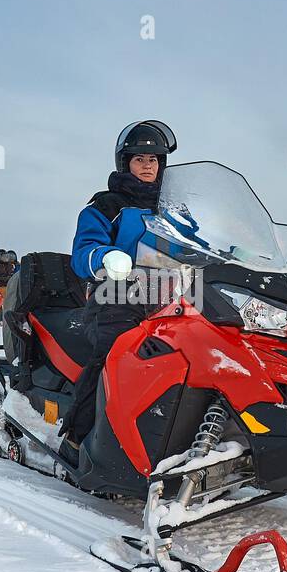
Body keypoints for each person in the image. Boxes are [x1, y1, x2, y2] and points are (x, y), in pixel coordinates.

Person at [59, 120, 177, 466]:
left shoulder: (176, 211)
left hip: (172, 299)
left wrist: (237, 253)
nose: (147, 166)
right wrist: (105, 257)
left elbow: (202, 244)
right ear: (125, 163)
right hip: (116, 298)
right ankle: (77, 438)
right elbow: (83, 252)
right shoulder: (105, 206)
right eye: (139, 159)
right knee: (115, 354)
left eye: (153, 160)